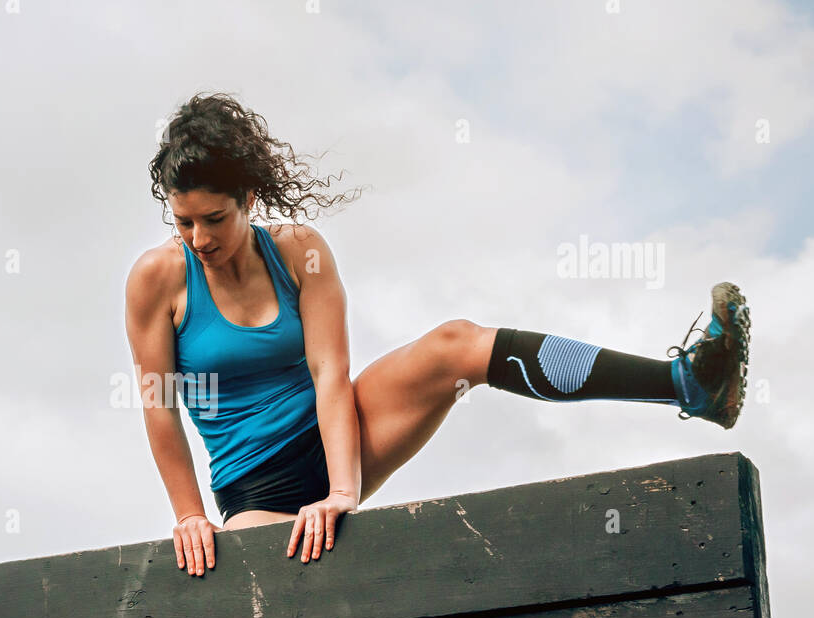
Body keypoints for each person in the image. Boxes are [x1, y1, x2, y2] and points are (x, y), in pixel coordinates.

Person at [123, 93, 749, 579]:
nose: (199, 238)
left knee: (455, 343)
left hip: (342, 433)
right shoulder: (157, 281)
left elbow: (329, 377)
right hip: (257, 486)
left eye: (215, 219)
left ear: (248, 198)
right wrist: (189, 516)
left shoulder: (299, 253)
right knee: (264, 576)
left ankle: (687, 385)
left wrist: (343, 491)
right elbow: (159, 409)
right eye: (184, 222)